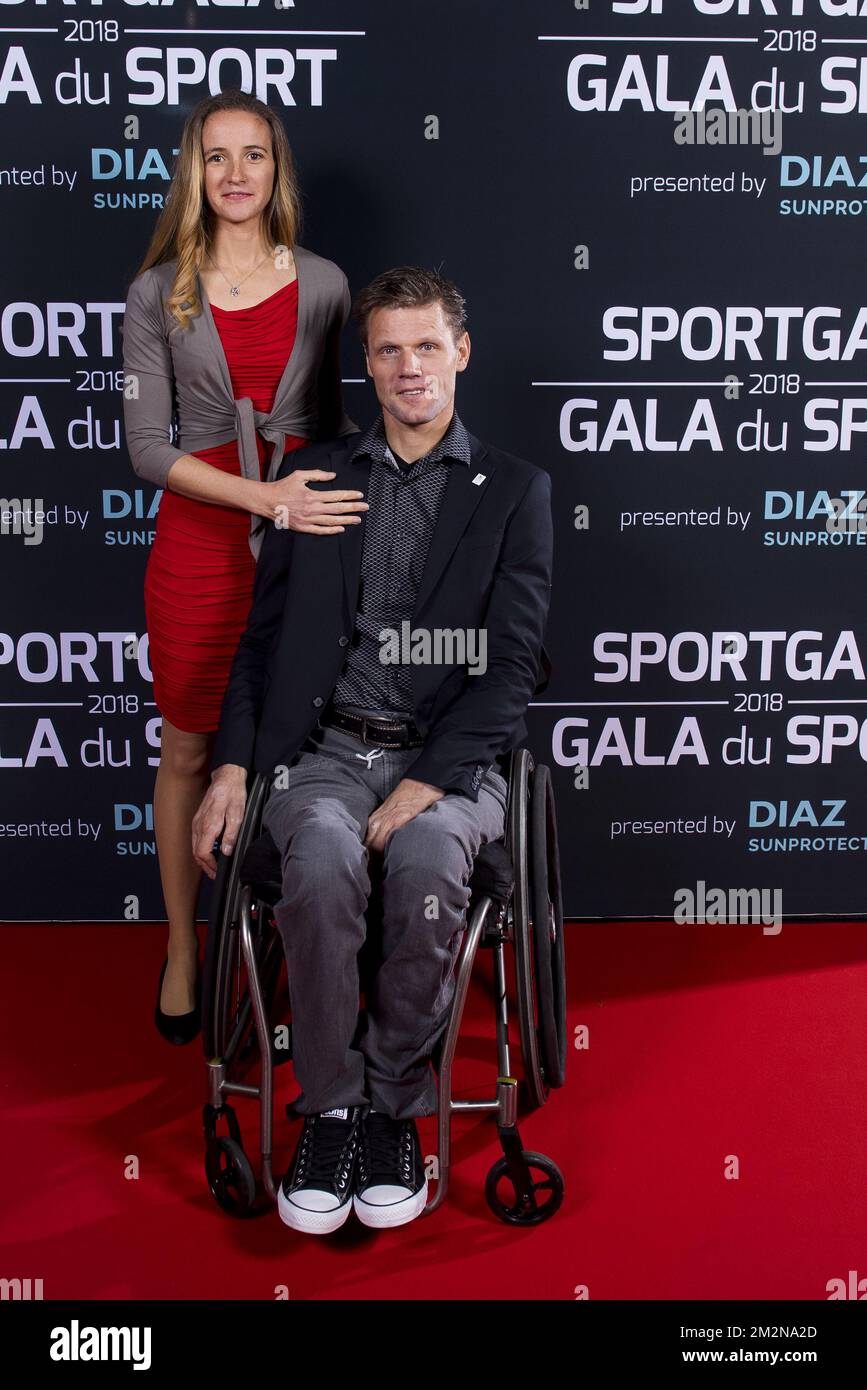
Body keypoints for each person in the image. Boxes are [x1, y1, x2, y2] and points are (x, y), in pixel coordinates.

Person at [192, 265, 554, 1234]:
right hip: (327, 751)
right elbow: (260, 645)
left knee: (433, 859)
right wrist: (229, 766)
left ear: (461, 353)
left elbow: (513, 667)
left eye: (426, 345)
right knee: (318, 856)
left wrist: (431, 780)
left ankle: (395, 1106)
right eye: (388, 349)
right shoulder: (316, 477)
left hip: (449, 757)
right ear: (367, 363)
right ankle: (332, 1105)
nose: (409, 366)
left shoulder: (515, 491)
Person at [121, 89, 367, 1045]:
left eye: (253, 155)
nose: (235, 175)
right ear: (193, 171)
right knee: (187, 748)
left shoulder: (324, 283)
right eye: (216, 157)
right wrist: (264, 498)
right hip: (203, 545)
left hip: (305, 536)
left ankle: (299, 936)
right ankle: (185, 947)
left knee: (302, 746)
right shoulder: (158, 292)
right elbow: (147, 448)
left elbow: (338, 429)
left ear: (276, 170)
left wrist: (330, 516)